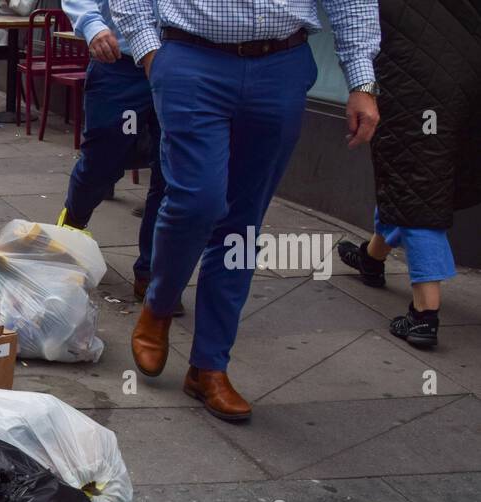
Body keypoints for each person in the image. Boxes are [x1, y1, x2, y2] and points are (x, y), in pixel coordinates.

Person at [112, 0, 380, 422]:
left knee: (243, 222)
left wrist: (361, 80)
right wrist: (147, 48)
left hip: (281, 66)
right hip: (191, 60)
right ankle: (159, 303)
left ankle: (209, 366)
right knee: (196, 201)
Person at [337, 0, 480, 349]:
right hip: (469, 73)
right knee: (407, 180)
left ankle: (424, 315)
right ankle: (372, 259)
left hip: (414, 78)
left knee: (416, 184)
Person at [59, 0, 174, 312]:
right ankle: (74, 220)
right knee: (103, 163)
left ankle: (151, 274)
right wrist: (93, 27)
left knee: (171, 174)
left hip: (178, 66)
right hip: (120, 65)